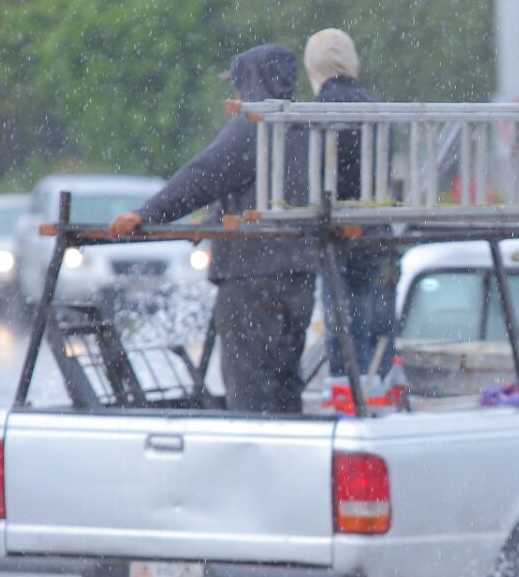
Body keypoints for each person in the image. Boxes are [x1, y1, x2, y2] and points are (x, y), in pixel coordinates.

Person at [108, 44, 313, 413]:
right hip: (299, 276)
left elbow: (205, 174)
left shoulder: (254, 124)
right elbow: (274, 192)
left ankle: (252, 447)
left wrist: (149, 213)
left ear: (250, 82)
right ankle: (288, 441)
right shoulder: (302, 127)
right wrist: (214, 220)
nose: (235, 92)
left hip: (253, 276)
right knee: (284, 381)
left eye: (237, 83)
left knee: (249, 385)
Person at [304, 28, 398, 378]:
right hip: (380, 237)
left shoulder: (313, 114)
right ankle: (382, 395)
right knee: (381, 337)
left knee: (346, 337)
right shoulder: (377, 108)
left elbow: (312, 179)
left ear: (313, 66)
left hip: (340, 238)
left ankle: (351, 399)